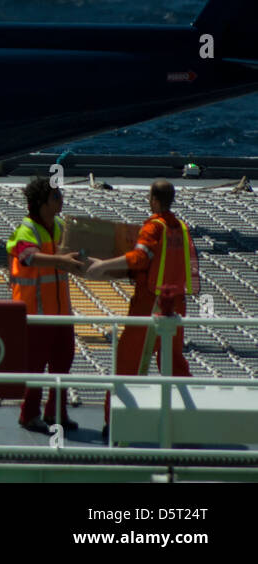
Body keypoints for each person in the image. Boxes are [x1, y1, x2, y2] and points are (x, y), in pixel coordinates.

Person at [87, 179, 199, 437]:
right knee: (174, 364)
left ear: (155, 201)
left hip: (149, 304)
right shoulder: (181, 228)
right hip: (176, 304)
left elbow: (140, 258)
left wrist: (101, 266)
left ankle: (114, 422)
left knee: (128, 362)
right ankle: (189, 422)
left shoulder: (152, 227)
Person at [7, 177, 87, 434]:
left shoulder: (60, 226)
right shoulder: (26, 230)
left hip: (61, 312)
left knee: (63, 362)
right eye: (56, 197)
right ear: (42, 203)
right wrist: (60, 259)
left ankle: (56, 412)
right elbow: (27, 257)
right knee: (36, 366)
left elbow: (77, 250)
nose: (61, 200)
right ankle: (29, 415)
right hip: (35, 314)